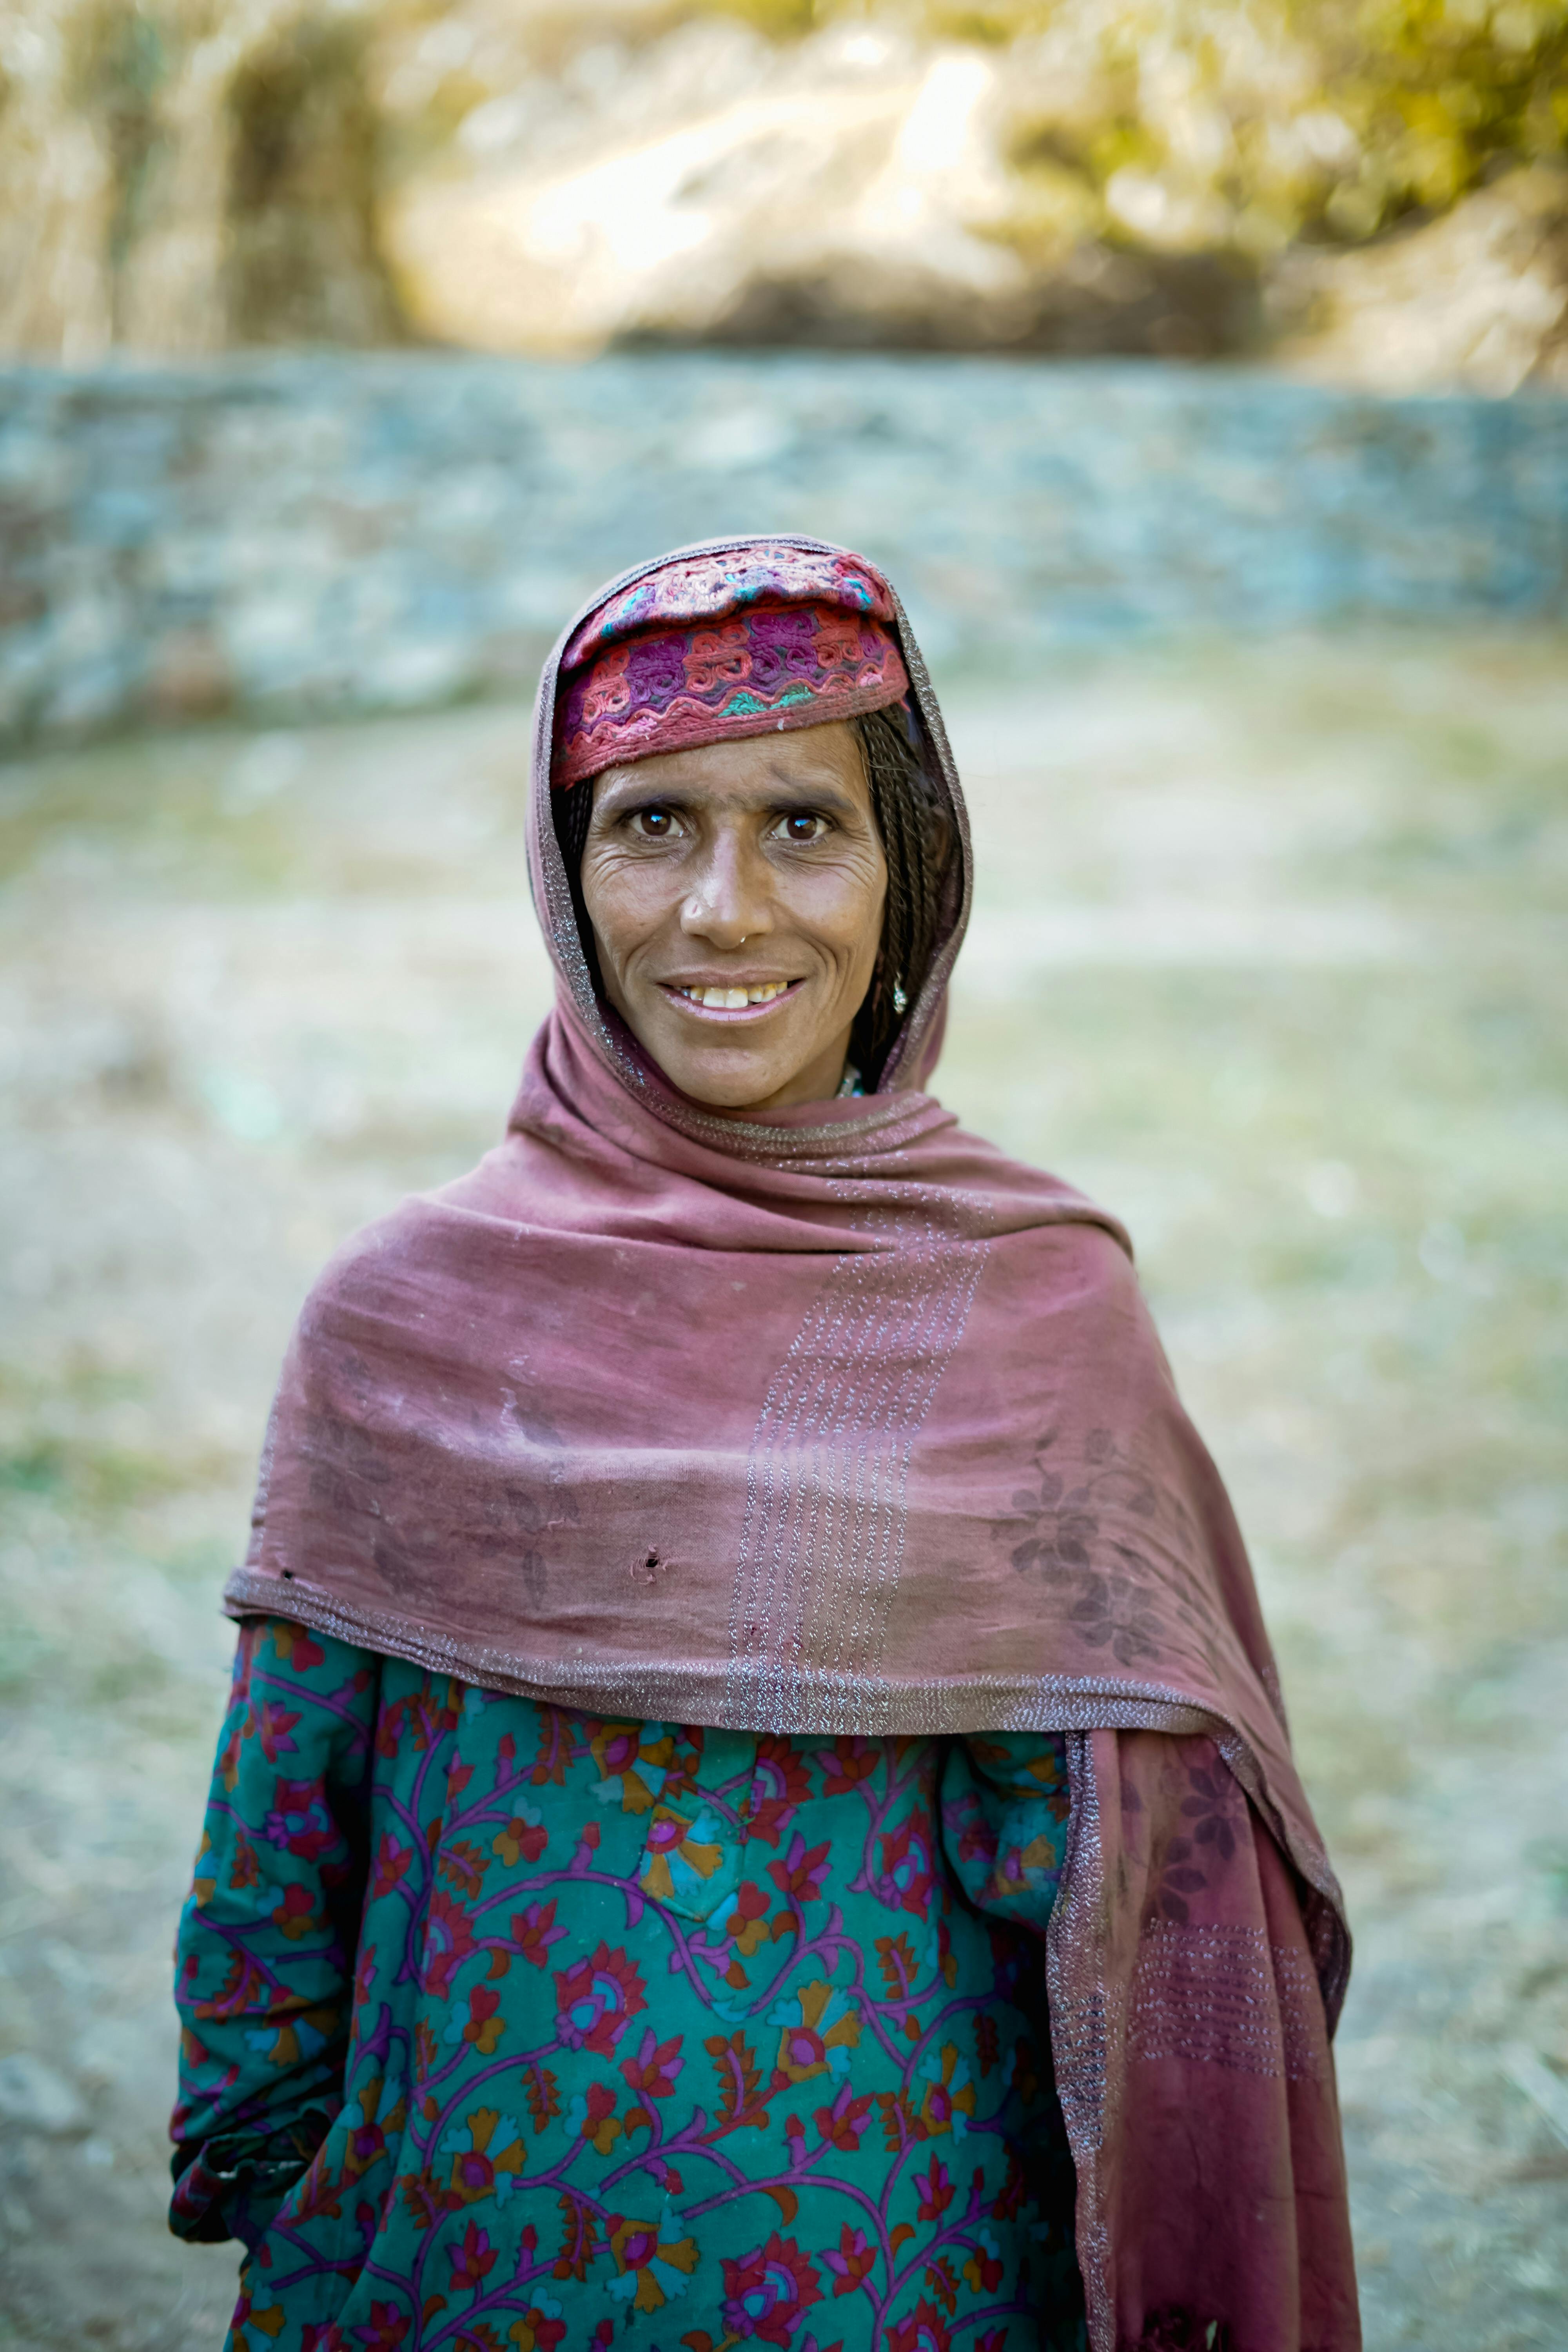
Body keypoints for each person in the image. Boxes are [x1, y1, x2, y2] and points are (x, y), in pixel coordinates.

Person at [169, 537, 1359, 2352]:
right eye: (650, 825)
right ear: (566, 877)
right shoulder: (407, 1315)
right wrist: (279, 2204)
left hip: (901, 2275)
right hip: (444, 2266)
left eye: (804, 825)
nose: (723, 908)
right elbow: (280, 1842)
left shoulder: (1028, 1312)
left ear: (910, 879)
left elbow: (1134, 1890)